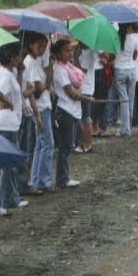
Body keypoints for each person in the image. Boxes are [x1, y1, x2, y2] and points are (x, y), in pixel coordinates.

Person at [0, 45, 29, 215]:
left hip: (10, 123)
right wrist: (9, 102)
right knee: (9, 163)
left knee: (10, 163)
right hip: (7, 124)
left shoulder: (9, 74)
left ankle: (9, 196)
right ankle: (7, 198)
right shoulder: (5, 75)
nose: (20, 58)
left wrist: (20, 72)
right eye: (18, 56)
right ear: (11, 58)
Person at [51, 38, 85, 191]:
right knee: (65, 146)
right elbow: (70, 92)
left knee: (69, 144)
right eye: (66, 50)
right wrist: (85, 97)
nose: (70, 53)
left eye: (71, 50)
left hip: (73, 109)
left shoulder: (68, 66)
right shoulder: (59, 69)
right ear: (58, 53)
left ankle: (64, 177)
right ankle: (62, 178)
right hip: (65, 110)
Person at [22, 35, 54, 194]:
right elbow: (38, 88)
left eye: (44, 46)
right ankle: (42, 180)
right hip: (40, 107)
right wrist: (45, 85)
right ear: (31, 45)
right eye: (39, 46)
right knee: (47, 144)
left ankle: (37, 179)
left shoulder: (35, 61)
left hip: (42, 106)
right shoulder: (30, 62)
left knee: (41, 145)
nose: (42, 50)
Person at [113, 23, 138, 137]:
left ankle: (125, 129)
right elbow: (135, 56)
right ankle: (128, 127)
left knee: (124, 101)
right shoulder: (134, 38)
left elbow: (113, 54)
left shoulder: (116, 38)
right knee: (130, 100)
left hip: (120, 69)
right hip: (131, 69)